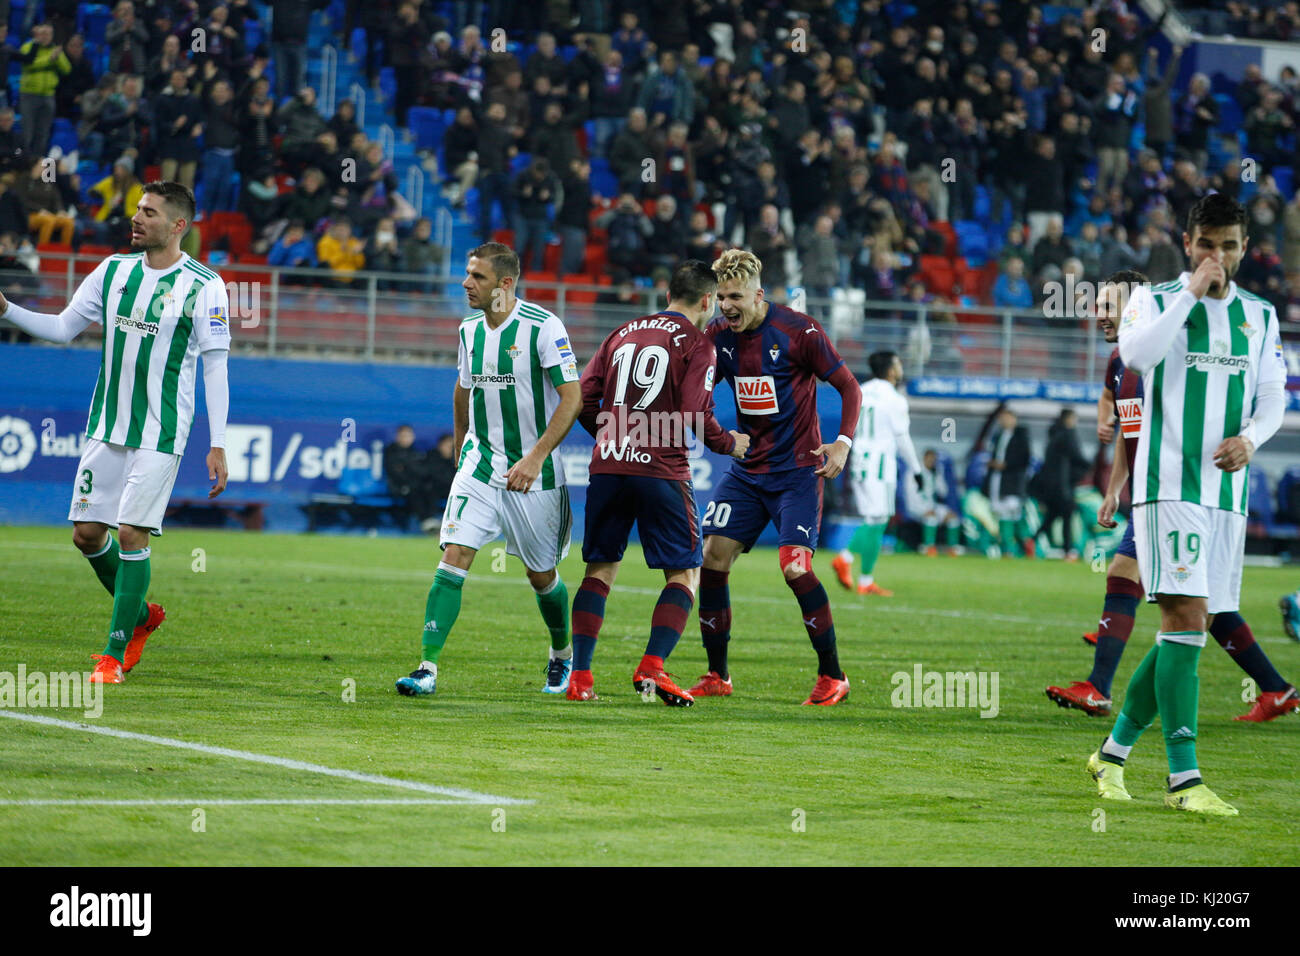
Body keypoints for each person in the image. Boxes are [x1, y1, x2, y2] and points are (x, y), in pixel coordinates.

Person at [1088, 193, 1289, 816]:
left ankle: (1112, 754)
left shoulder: (1260, 315)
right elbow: (1138, 356)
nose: (1218, 257)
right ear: (1187, 243)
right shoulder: (1152, 301)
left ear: (1245, 248)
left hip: (1226, 493)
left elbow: (1275, 396)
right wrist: (1191, 293)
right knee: (1187, 619)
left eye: (1229, 246)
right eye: (1207, 244)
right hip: (1167, 484)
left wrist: (1251, 439)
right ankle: (1185, 779)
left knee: (1190, 624)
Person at [0, 181, 229, 684]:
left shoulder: (205, 285)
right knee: (87, 536)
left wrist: (218, 444)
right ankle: (143, 617)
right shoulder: (113, 271)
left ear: (178, 226)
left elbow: (215, 366)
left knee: (130, 533)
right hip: (107, 425)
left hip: (162, 431)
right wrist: (6, 310)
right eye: (137, 210)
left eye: (149, 212)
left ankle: (112, 655)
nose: (138, 218)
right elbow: (63, 328)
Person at [1047, 271, 1298, 722]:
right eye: (1098, 305)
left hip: (1178, 494)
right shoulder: (1120, 361)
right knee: (1207, 606)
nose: (1098, 313)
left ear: (1137, 306)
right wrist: (1114, 488)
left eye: (1108, 305)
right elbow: (1132, 428)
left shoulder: (1162, 357)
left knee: (1164, 596)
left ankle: (1103, 693)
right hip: (1150, 493)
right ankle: (1276, 689)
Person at [395, 242, 581, 698]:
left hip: (534, 475)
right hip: (479, 467)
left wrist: (535, 456)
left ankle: (561, 655)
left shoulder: (543, 327)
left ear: (505, 283)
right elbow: (463, 390)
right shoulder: (467, 330)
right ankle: (427, 667)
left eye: (476, 276)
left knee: (541, 576)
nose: (465, 283)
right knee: (453, 557)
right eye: (466, 274)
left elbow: (572, 397)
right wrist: (462, 449)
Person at [566, 261, 748, 703]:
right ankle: (652, 667)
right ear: (708, 300)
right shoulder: (699, 345)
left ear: (669, 294)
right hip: (660, 469)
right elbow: (693, 413)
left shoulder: (621, 332)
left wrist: (613, 433)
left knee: (600, 568)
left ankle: (580, 679)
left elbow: (581, 395)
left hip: (608, 464)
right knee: (685, 573)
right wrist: (730, 444)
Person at [690, 249, 863, 705]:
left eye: (735, 297)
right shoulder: (718, 338)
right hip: (748, 471)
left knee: (794, 567)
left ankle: (833, 676)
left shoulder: (798, 331)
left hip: (797, 472)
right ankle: (717, 675)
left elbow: (849, 387)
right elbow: (696, 390)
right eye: (720, 296)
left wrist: (842, 442)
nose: (726, 305)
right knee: (712, 558)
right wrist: (718, 434)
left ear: (758, 295)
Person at [831, 350, 922, 597]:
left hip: (860, 460)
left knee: (875, 520)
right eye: (899, 363)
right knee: (877, 520)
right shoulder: (895, 398)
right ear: (891, 370)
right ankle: (845, 559)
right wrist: (916, 469)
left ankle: (865, 581)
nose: (901, 367)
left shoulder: (860, 389)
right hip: (880, 465)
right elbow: (902, 438)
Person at [1034, 408, 1090, 560]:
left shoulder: (1053, 436)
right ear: (1068, 419)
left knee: (1052, 516)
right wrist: (1089, 466)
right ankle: (1068, 551)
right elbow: (1077, 456)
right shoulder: (1068, 435)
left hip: (1051, 485)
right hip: (1063, 485)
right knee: (1066, 516)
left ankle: (1032, 540)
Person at [982, 406, 1033, 557]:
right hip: (998, 481)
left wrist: (1006, 465)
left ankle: (1026, 546)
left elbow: (1025, 459)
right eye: (1001, 418)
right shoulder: (998, 436)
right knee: (1002, 514)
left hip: (1013, 482)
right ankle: (1008, 549)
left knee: (1012, 513)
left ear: (1014, 419)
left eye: (1006, 418)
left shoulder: (1021, 436)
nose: (1003, 421)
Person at [17, 22, 69, 158]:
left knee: (43, 133)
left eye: (48, 34)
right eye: (43, 33)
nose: (45, 37)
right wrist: (50, 59)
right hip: (29, 95)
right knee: (27, 132)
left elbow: (66, 69)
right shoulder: (28, 47)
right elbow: (29, 65)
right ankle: (24, 165)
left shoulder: (55, 50)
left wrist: (57, 58)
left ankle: (38, 165)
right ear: (37, 34)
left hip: (48, 96)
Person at [384, 424, 441, 531]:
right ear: (398, 437)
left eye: (408, 436)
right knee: (413, 490)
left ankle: (430, 519)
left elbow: (422, 472)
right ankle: (426, 521)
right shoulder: (391, 451)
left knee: (430, 488)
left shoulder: (415, 451)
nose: (406, 438)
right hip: (398, 486)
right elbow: (394, 472)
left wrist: (407, 466)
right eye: (403, 435)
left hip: (416, 485)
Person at [908, 449, 961, 555]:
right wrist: (924, 510)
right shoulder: (914, 473)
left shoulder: (935, 473)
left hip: (932, 506)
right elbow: (911, 496)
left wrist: (938, 476)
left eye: (934, 460)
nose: (932, 462)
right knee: (931, 518)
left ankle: (952, 548)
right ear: (924, 458)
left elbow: (943, 492)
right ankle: (929, 547)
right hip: (916, 507)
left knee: (953, 517)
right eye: (930, 459)